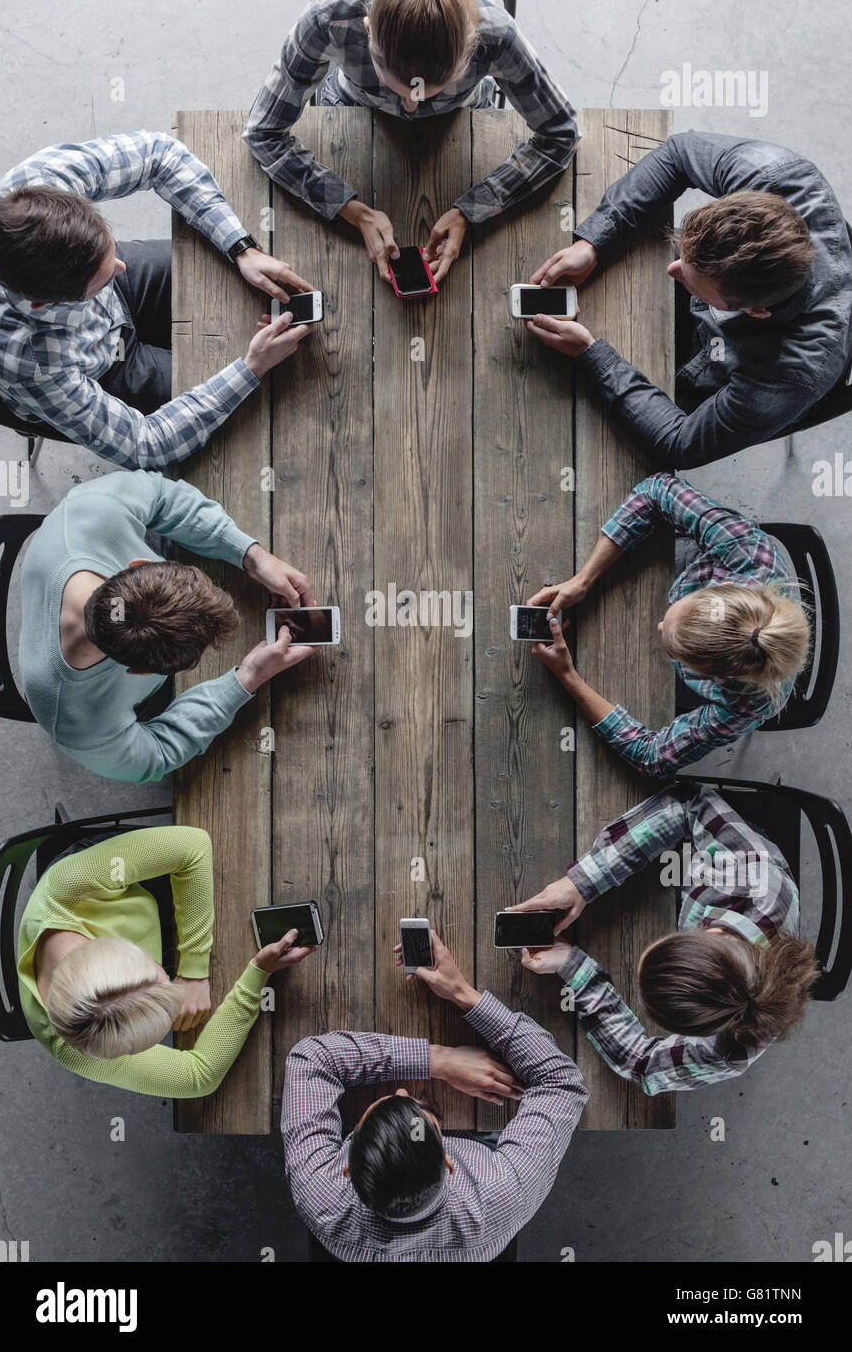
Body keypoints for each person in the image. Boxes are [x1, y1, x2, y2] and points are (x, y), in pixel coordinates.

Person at [0, 131, 315, 467]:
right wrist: (252, 367)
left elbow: (161, 154)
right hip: (102, 370)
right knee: (260, 387)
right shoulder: (33, 366)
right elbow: (146, 444)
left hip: (112, 303)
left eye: (110, 251)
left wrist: (241, 248)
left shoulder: (39, 186)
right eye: (102, 277)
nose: (122, 266)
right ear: (47, 303)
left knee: (223, 282)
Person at [526, 131, 852, 466]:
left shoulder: (789, 374)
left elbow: (679, 443)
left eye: (692, 282)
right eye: (685, 255)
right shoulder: (776, 176)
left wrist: (591, 354)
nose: (672, 269)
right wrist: (594, 242)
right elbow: (680, 153)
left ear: (755, 310)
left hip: (730, 370)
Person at [244, 0, 579, 284]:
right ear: (368, 30)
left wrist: (472, 210)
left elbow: (562, 133)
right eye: (398, 87)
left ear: (472, 47)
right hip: (350, 108)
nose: (412, 107)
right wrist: (349, 208)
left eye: (433, 89)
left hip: (465, 117)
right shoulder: (328, 18)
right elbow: (262, 131)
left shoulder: (497, 34)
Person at [280, 930, 587, 1261]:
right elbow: (561, 1082)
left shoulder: (322, 1195)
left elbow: (311, 1059)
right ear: (448, 1161)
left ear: (346, 1171)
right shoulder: (499, 1192)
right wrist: (463, 994)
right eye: (421, 1113)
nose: (402, 1089)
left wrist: (438, 1060)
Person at [511, 783, 820, 1094]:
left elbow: (642, 1064)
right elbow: (690, 802)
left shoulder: (726, 1055)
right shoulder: (753, 876)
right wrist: (584, 880)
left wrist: (576, 970)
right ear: (709, 934)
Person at [20, 468, 317, 783]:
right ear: (139, 672)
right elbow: (155, 756)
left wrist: (251, 554)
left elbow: (160, 493)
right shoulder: (73, 721)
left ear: (142, 564)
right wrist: (248, 677)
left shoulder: (91, 510)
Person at [529, 472, 811, 778]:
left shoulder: (747, 705)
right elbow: (658, 490)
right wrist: (582, 580)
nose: (660, 626)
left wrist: (568, 675)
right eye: (676, 612)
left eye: (677, 651)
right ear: (721, 585)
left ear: (713, 675)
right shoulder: (749, 554)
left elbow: (652, 757)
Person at [16, 825, 316, 1097]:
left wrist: (194, 972)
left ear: (121, 943)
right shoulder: (81, 1045)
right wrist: (258, 972)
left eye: (160, 974)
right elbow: (198, 1077)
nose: (176, 997)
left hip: (115, 882)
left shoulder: (69, 886)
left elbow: (193, 846)